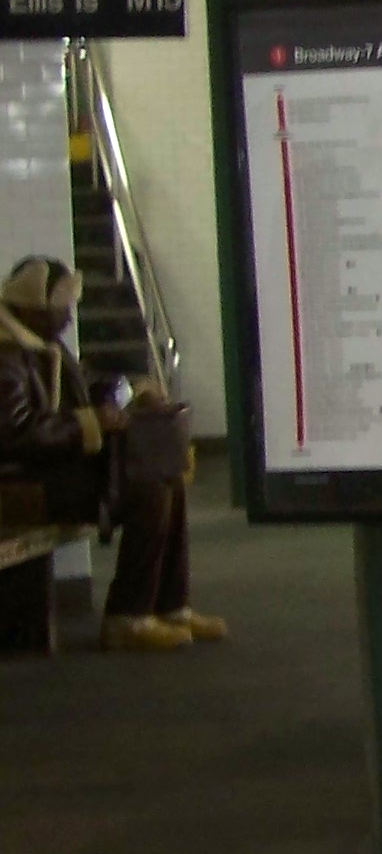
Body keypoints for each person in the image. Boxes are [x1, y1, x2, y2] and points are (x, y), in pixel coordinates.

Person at [0, 255, 221, 650]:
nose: (68, 318)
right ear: (34, 309)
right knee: (147, 489)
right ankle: (127, 616)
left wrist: (133, 390)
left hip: (44, 472)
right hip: (18, 482)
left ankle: (169, 605)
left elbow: (88, 383)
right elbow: (16, 436)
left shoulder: (37, 346)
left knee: (167, 478)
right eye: (61, 309)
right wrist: (90, 423)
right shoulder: (6, 358)